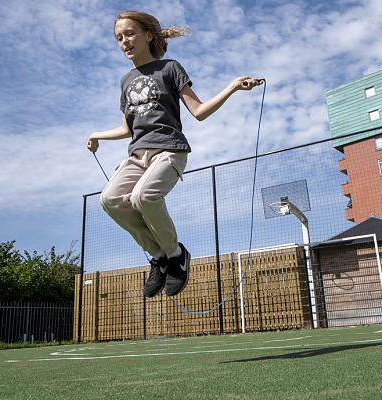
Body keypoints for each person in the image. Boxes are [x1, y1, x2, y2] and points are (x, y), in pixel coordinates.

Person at [87, 10, 262, 298]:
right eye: (119, 38)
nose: (124, 42)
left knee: (143, 197)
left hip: (169, 149)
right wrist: (96, 135)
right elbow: (127, 128)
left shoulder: (170, 68)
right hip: (137, 155)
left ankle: (176, 254)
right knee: (110, 200)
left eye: (130, 34)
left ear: (148, 35)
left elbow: (199, 112)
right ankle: (159, 256)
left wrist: (231, 87)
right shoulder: (125, 81)